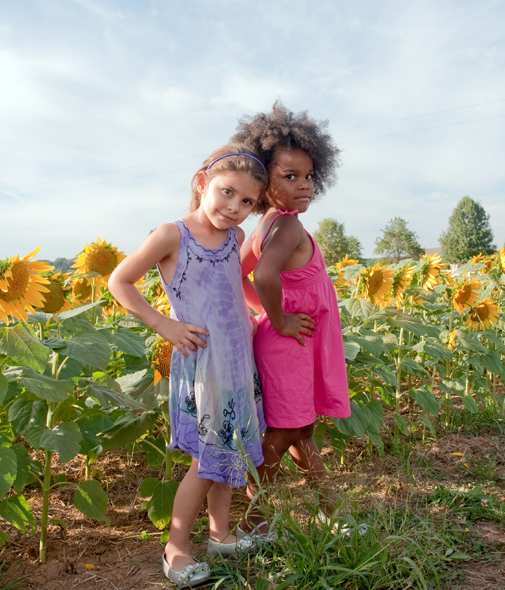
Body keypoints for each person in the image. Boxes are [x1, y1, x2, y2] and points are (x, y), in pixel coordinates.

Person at [107, 146, 268, 588]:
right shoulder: (172, 235)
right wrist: (163, 324)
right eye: (226, 192)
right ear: (202, 184)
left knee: (230, 452)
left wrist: (251, 316)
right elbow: (119, 280)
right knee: (205, 460)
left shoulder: (235, 239)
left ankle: (220, 534)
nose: (234, 207)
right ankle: (176, 547)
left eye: (247, 202)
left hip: (238, 360)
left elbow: (236, 283)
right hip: (205, 364)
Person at [233, 103, 351, 538]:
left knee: (301, 427)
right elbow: (262, 275)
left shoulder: (269, 225)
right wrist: (279, 319)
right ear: (265, 182)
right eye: (290, 177)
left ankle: (329, 509)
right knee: (285, 432)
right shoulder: (287, 229)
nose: (304, 186)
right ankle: (255, 517)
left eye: (309, 176)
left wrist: (264, 312)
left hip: (288, 342)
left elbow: (239, 274)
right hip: (290, 344)